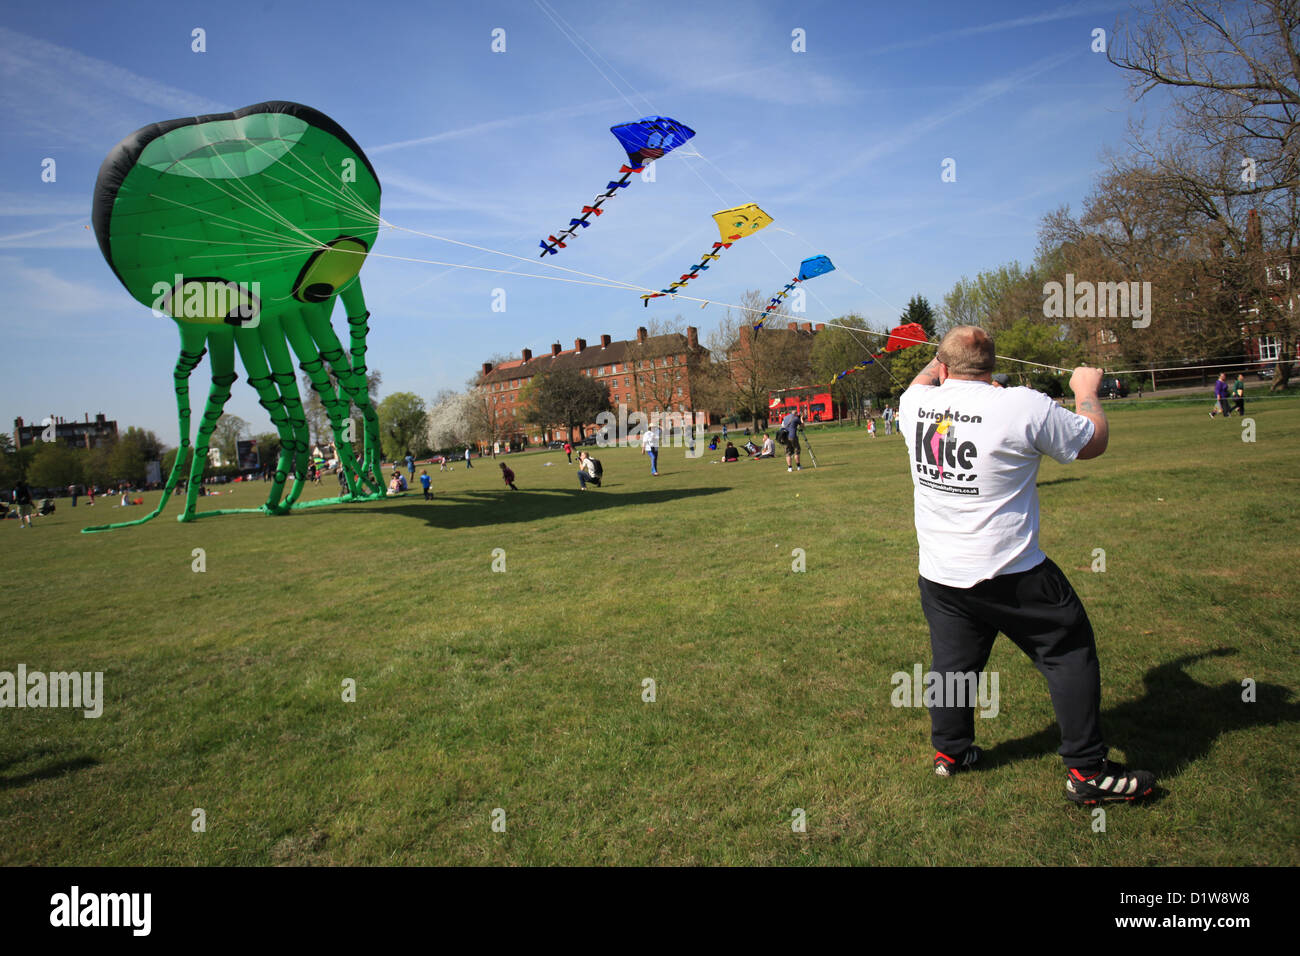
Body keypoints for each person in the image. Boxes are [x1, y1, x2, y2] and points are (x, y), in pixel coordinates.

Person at [900, 325, 1155, 805]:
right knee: (1069, 650)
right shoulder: (1021, 403)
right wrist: (1086, 391)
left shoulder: (914, 403)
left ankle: (950, 753)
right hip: (1011, 573)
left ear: (944, 365)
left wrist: (942, 360)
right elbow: (1092, 441)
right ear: (991, 364)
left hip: (941, 573)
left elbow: (928, 377)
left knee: (953, 666)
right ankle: (1087, 772)